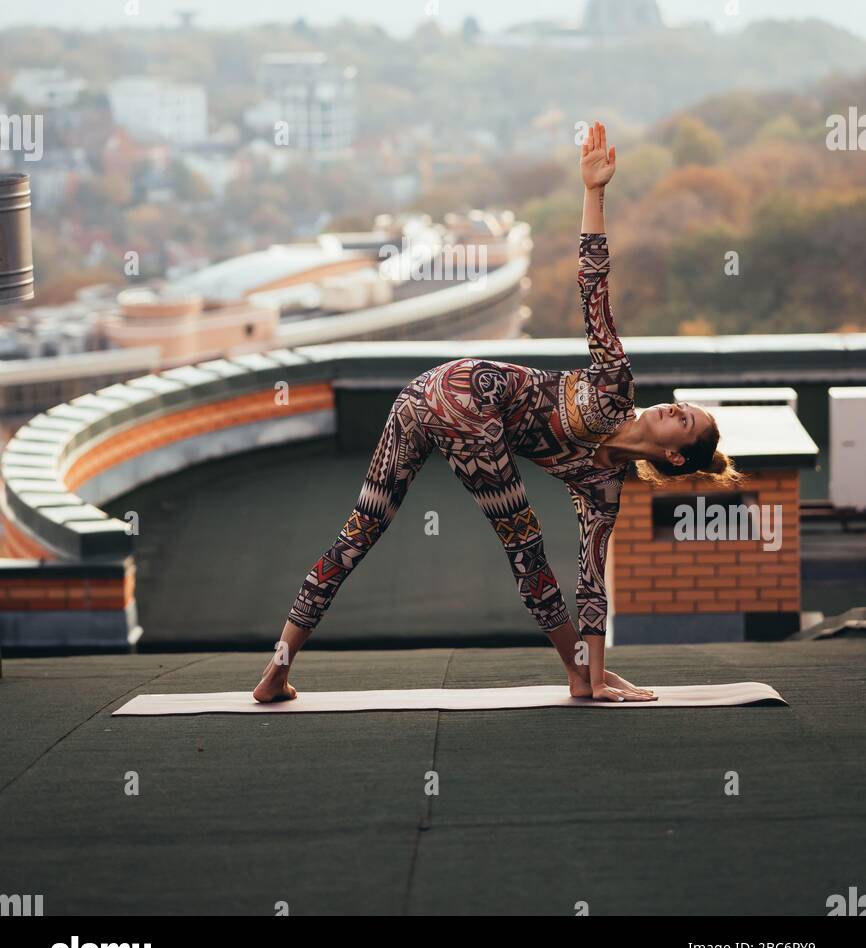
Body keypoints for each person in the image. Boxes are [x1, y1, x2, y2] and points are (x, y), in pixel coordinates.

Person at [253, 121, 745, 704]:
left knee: (369, 529)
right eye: (679, 406)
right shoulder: (615, 386)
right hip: (452, 391)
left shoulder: (602, 485)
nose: (670, 408)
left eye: (681, 421)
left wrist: (599, 669)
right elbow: (594, 288)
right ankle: (279, 669)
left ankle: (277, 673)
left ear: (670, 454)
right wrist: (593, 191)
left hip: (436, 403)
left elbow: (592, 587)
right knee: (510, 541)